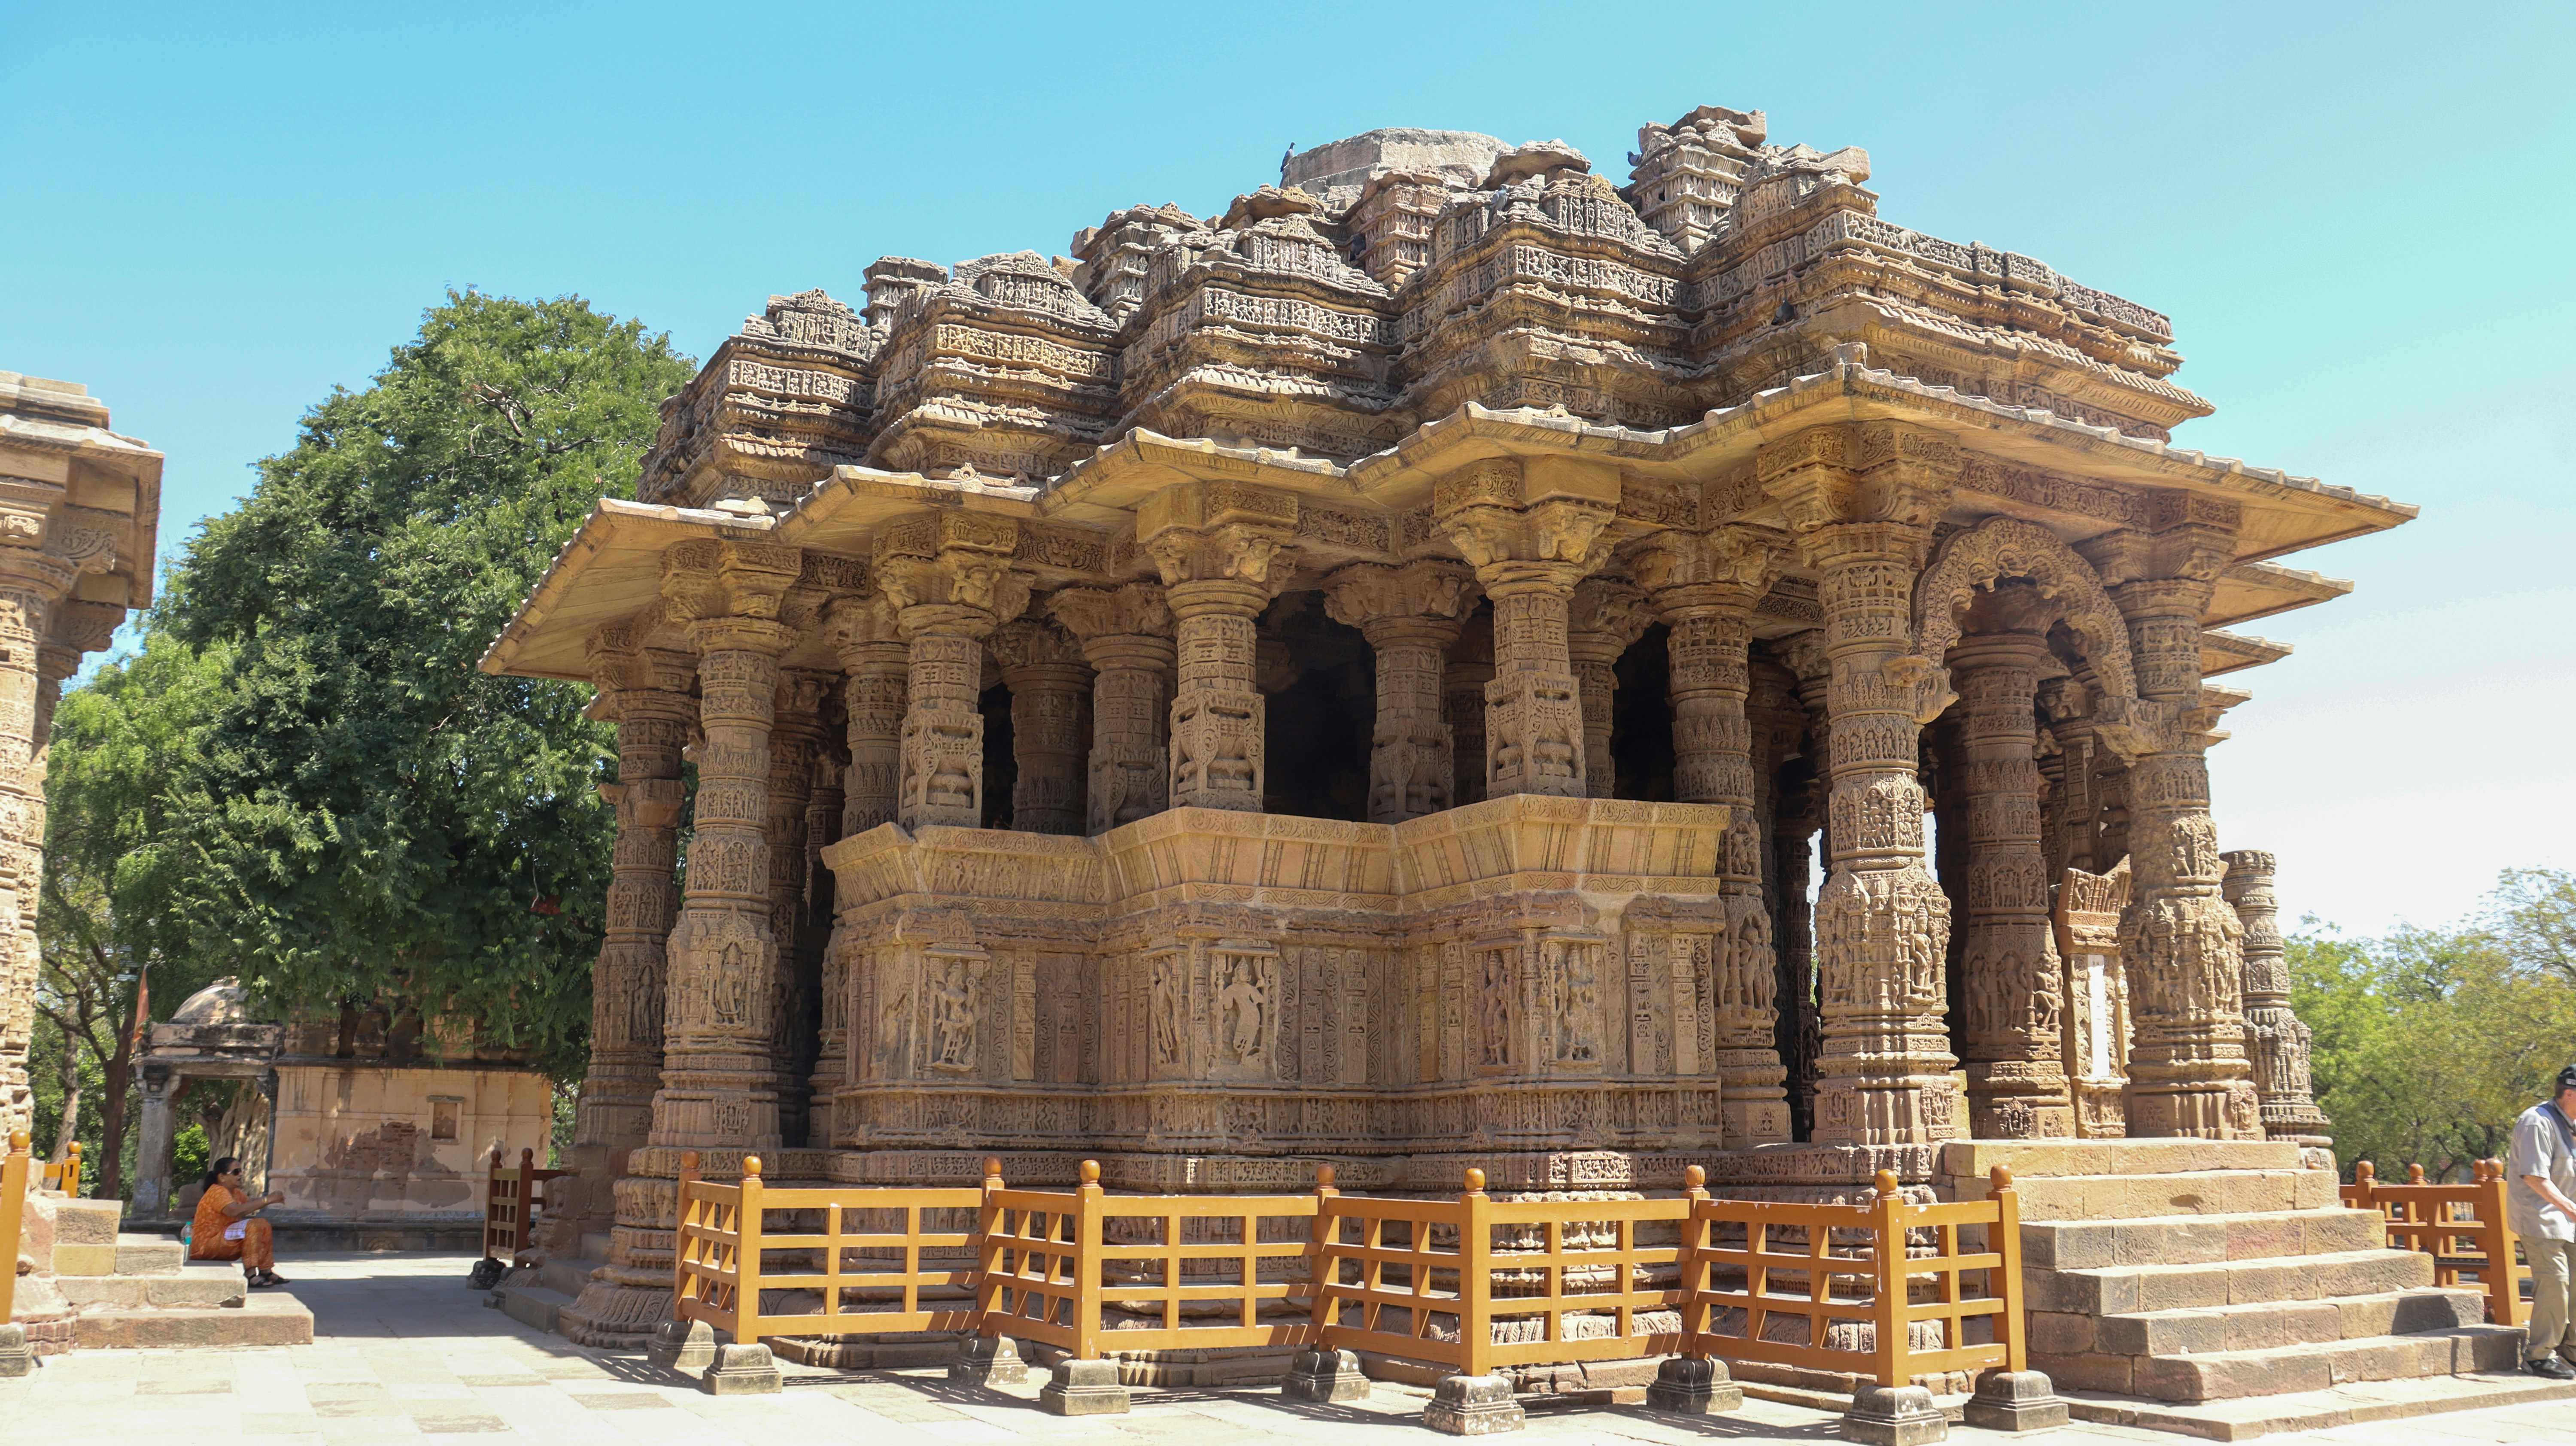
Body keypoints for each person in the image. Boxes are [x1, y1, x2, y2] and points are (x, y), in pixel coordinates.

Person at [2506, 1064, 2576, 1379]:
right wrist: (2572, 1209)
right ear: (2570, 1093)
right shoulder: (2536, 1122)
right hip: (2542, 1219)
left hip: (2568, 1220)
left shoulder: (2572, 1123)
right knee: (2555, 1282)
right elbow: (2535, 1177)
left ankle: (2571, 1353)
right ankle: (2538, 1356)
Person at [190, 1156, 289, 1288]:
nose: (241, 1174)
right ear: (222, 1177)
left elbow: (249, 1204)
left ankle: (266, 1271)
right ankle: (251, 1274)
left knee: (263, 1224)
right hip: (207, 1245)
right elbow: (235, 1212)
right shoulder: (217, 1191)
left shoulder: (235, 1193)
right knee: (254, 1225)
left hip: (223, 1238)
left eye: (241, 1171)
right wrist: (268, 1200)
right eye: (236, 1172)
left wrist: (270, 1199)